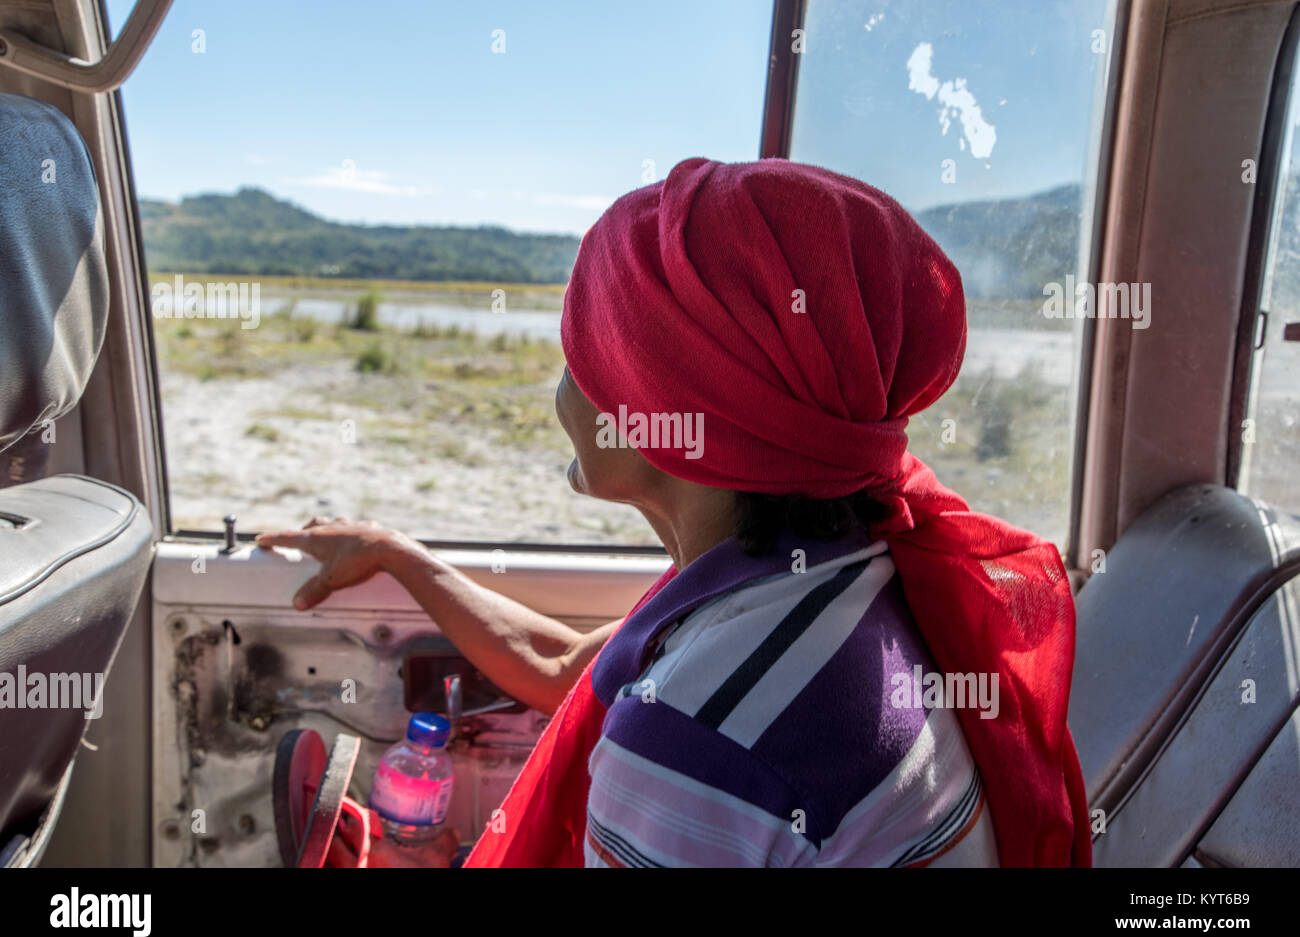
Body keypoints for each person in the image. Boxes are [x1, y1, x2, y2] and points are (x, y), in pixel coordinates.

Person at [258, 157, 1091, 867]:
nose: (563, 387)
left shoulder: (691, 735)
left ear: (670, 413)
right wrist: (397, 554)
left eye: (586, 352)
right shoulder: (840, 574)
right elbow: (564, 668)